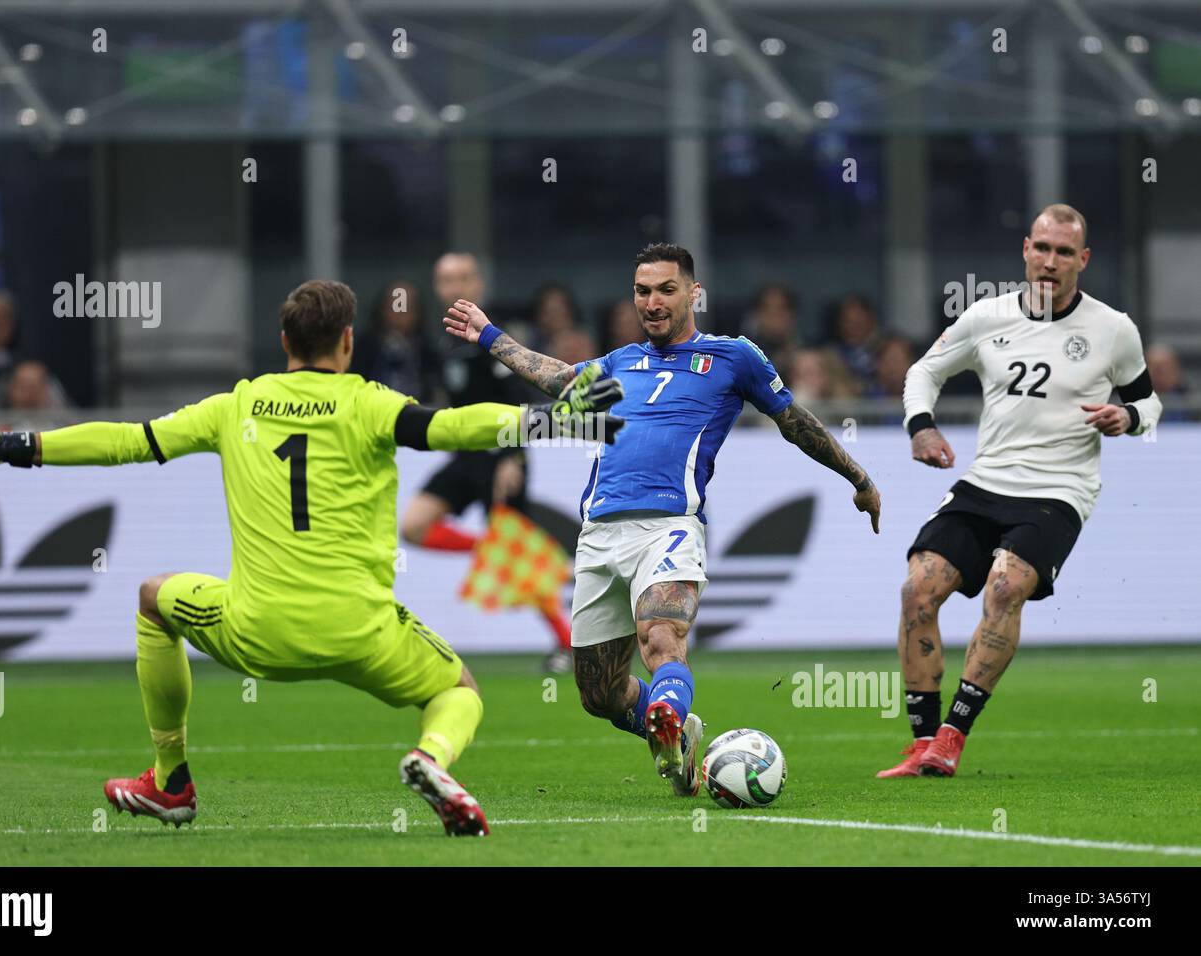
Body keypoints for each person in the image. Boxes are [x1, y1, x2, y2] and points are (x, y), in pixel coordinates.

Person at [0, 279, 623, 837]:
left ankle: (171, 782)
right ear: (348, 341)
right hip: (363, 634)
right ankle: (430, 758)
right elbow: (451, 428)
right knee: (459, 689)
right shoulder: (370, 403)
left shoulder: (237, 405)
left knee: (154, 598)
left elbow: (127, 440)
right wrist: (554, 415)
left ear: (284, 339)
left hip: (254, 631)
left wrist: (11, 445)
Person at [444, 243, 881, 796]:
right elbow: (558, 379)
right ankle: (677, 730)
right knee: (598, 694)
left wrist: (859, 479)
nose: (652, 302)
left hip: (669, 527)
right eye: (642, 291)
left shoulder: (733, 358)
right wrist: (489, 334)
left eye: (666, 290)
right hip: (600, 534)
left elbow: (794, 421)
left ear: (693, 293)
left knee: (660, 636)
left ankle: (669, 716)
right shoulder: (620, 364)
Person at [883, 204, 1162, 779]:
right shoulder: (986, 317)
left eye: (1064, 253)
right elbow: (923, 372)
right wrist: (921, 425)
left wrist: (1127, 417)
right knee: (917, 592)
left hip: (1059, 490)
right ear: (1026, 251)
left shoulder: (1113, 330)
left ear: (1082, 260)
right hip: (985, 482)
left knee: (1005, 586)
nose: (1051, 262)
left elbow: (1150, 402)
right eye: (1042, 248)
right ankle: (921, 745)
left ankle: (952, 737)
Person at [401, 253, 575, 671]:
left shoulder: (494, 336)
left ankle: (569, 644)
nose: (455, 286)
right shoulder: (441, 340)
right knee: (413, 526)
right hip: (466, 456)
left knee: (520, 561)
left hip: (502, 457)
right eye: (446, 279)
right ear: (437, 287)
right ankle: (492, 549)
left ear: (478, 284)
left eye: (463, 278)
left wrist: (515, 457)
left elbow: (524, 400)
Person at [351, 280, 442, 403]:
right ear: (382, 309)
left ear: (418, 312)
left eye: (407, 307)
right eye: (394, 307)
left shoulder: (429, 353)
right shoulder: (363, 350)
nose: (400, 315)